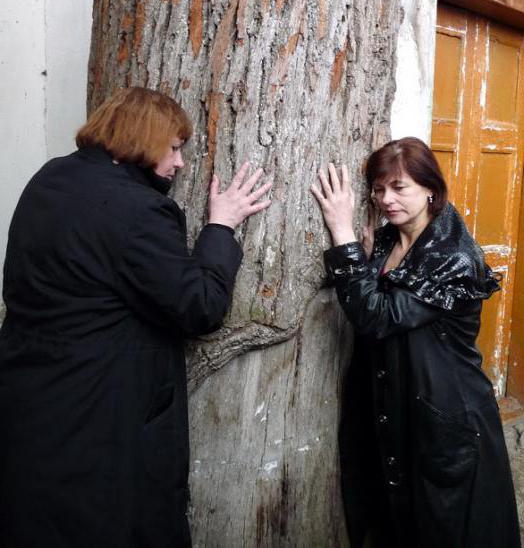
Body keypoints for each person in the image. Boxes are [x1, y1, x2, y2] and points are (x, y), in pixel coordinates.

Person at [0, 87, 271, 548]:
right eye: (175, 147)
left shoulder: (49, 179)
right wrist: (220, 228)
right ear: (144, 139)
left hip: (27, 408)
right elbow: (199, 305)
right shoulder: (138, 210)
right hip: (97, 421)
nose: (181, 163)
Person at [311, 137, 520, 548]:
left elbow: (378, 316)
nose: (387, 199)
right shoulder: (391, 238)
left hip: (447, 415)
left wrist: (341, 234)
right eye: (378, 188)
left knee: (446, 529)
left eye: (399, 187)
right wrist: (368, 261)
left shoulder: (452, 256)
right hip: (403, 405)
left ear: (431, 191)